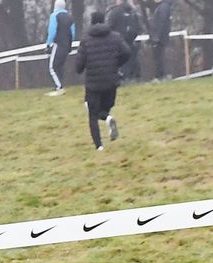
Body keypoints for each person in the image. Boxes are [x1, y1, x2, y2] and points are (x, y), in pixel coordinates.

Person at [76, 10, 130, 151]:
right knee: (104, 108)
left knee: (92, 114)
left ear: (92, 22)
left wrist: (82, 67)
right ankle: (107, 118)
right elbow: (127, 52)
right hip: (111, 82)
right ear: (104, 20)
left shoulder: (85, 40)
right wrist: (116, 64)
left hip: (93, 85)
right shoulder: (115, 37)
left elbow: (78, 66)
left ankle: (99, 146)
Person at [105, 1, 141, 82]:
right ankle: (134, 77)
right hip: (131, 41)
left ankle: (123, 78)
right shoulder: (133, 12)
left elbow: (109, 27)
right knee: (132, 59)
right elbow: (138, 27)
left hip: (118, 42)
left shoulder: (114, 12)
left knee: (120, 61)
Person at [45, 0, 76, 95]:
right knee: (60, 66)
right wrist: (70, 43)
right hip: (67, 45)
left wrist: (48, 44)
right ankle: (59, 84)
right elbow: (73, 32)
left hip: (57, 44)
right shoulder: (70, 17)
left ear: (55, 6)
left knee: (52, 67)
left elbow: (52, 31)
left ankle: (59, 87)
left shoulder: (54, 16)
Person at [149, 0, 174, 80]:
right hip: (162, 36)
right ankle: (161, 75)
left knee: (159, 57)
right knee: (159, 57)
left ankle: (159, 76)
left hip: (160, 37)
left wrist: (157, 37)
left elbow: (161, 23)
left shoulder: (163, 7)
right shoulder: (164, 6)